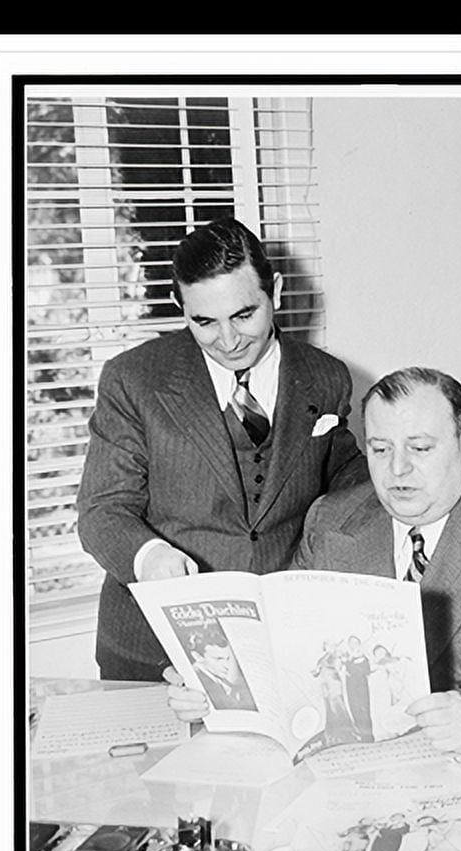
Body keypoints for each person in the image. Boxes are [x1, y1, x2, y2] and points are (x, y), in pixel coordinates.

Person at [169, 367, 461, 753]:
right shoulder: (332, 520)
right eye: (381, 449)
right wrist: (220, 688)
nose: (397, 470)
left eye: (420, 449)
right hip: (359, 756)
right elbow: (288, 652)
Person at [77, 217, 368, 681]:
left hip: (279, 644)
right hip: (152, 648)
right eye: (204, 322)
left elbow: (349, 482)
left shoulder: (327, 376)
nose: (229, 341)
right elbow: (101, 510)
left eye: (244, 315)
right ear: (179, 305)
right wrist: (150, 558)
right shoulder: (133, 380)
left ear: (275, 290)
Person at [186, 626, 257, 711]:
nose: (227, 665)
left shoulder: (226, 679)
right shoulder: (194, 679)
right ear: (198, 657)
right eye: (218, 659)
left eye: (228, 659)